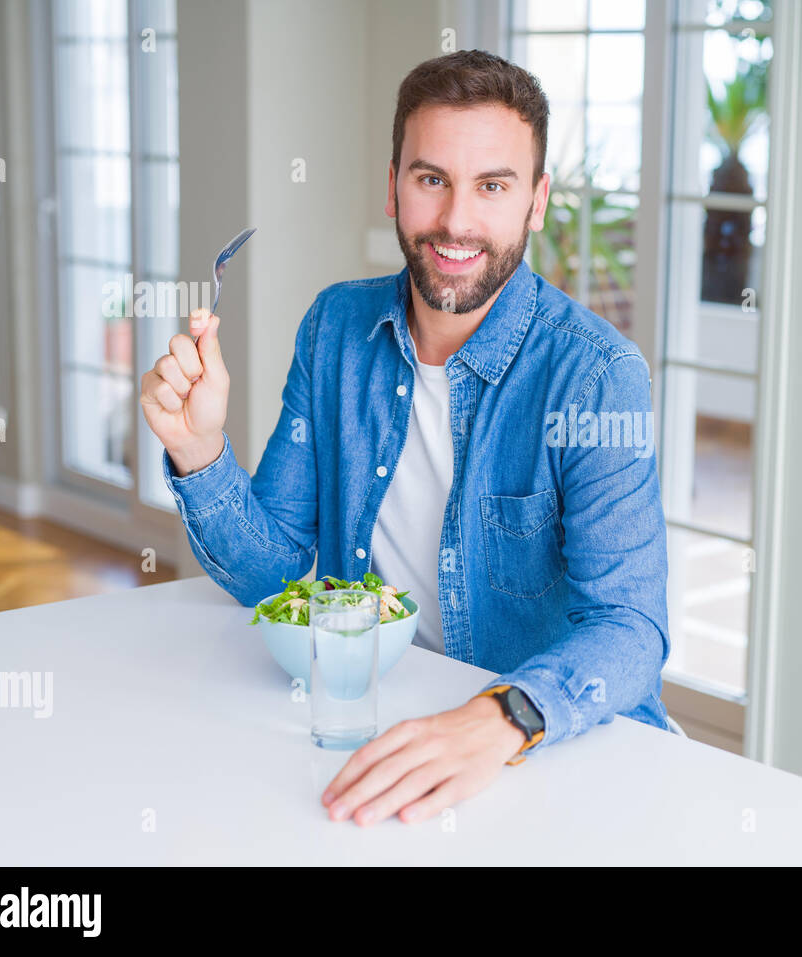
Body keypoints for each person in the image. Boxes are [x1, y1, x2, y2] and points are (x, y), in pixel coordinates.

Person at [139, 49, 672, 828]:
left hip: (552, 751)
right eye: (432, 180)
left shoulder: (596, 376)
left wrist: (499, 716)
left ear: (537, 201)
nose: (458, 220)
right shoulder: (336, 329)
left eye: (493, 185)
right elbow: (273, 576)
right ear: (393, 187)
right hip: (385, 725)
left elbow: (631, 627)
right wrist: (201, 450)